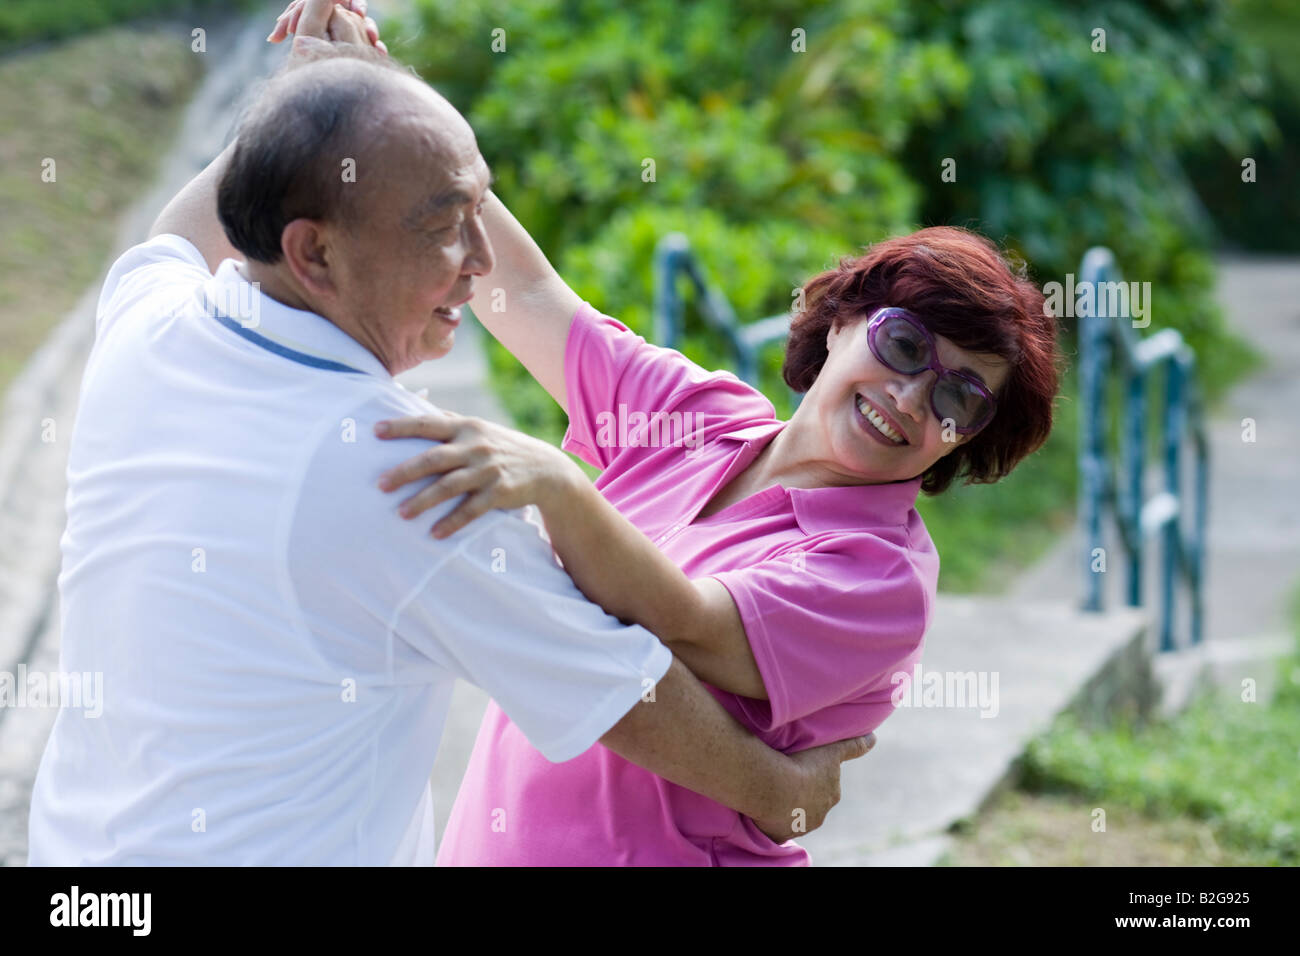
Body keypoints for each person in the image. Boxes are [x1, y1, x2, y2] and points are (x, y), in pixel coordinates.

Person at [26, 1, 870, 866]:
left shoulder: (145, 324)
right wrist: (782, 791)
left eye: (479, 207)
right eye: (442, 226)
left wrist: (311, 87)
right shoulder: (410, 475)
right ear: (314, 253)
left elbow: (183, 228)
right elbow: (619, 690)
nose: (478, 256)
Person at [314, 7, 1065, 865]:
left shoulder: (880, 579)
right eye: (905, 345)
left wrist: (554, 487)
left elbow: (686, 626)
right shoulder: (699, 417)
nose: (910, 394)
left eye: (959, 400)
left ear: (961, 443)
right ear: (845, 320)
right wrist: (377, 89)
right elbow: (522, 293)